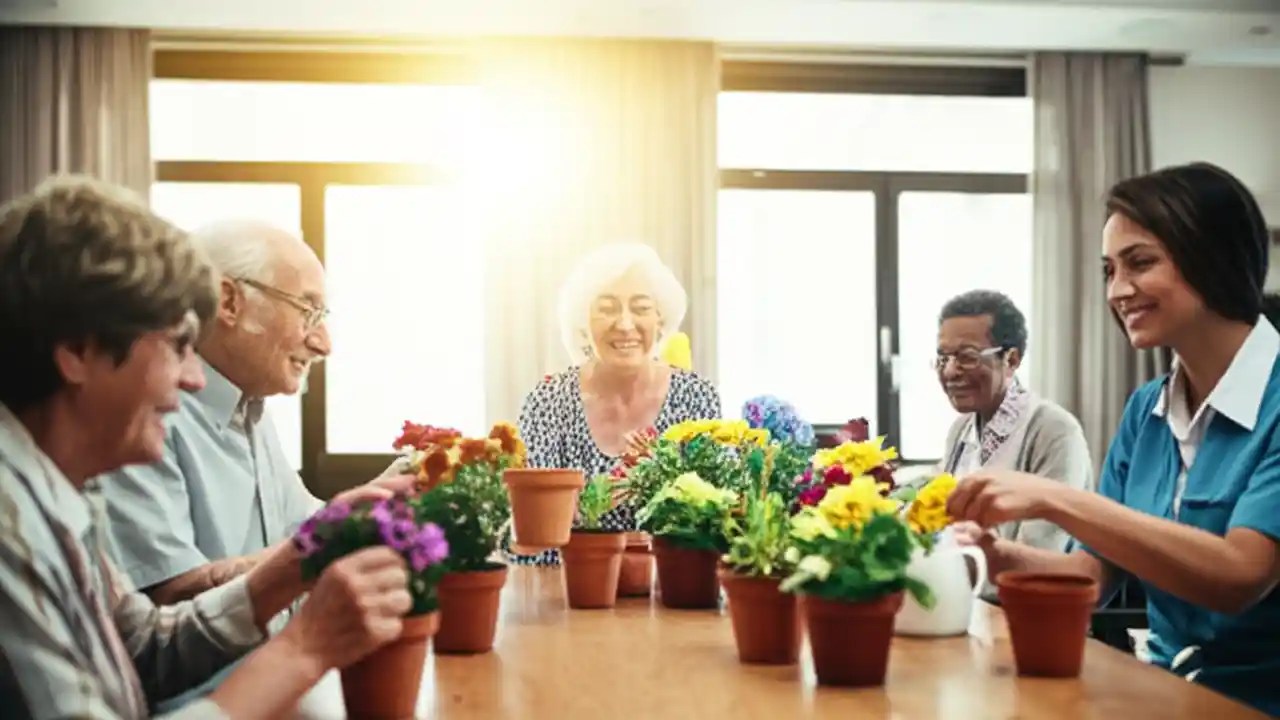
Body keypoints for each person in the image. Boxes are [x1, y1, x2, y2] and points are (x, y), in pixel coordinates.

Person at [0, 176, 411, 719]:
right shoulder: (11, 527)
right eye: (177, 347)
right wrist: (304, 648)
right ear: (78, 350)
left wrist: (302, 557)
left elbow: (143, 645)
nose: (195, 379)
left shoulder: (57, 497)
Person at [948, 162, 1280, 716]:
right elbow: (1092, 577)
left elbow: (1239, 576)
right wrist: (992, 554)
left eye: (1140, 263)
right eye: (1109, 270)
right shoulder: (1145, 409)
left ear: (1214, 257)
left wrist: (1051, 496)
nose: (1118, 290)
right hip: (1167, 693)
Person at [98, 220, 402, 609]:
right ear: (228, 301)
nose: (324, 344)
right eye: (308, 310)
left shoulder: (252, 409)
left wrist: (388, 494)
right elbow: (166, 607)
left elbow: (303, 531)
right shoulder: (150, 420)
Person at [513, 243, 721, 565]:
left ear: (660, 319)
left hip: (667, 591)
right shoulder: (548, 401)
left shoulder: (696, 398)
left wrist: (660, 477)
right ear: (583, 321)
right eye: (607, 308)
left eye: (640, 308)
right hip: (571, 590)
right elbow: (533, 539)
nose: (625, 325)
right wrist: (603, 495)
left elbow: (714, 525)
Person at [934, 290, 1093, 586]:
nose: (951, 371)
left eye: (967, 357)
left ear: (1012, 359)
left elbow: (1037, 555)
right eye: (943, 358)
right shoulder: (960, 430)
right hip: (967, 601)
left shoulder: (1054, 431)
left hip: (1030, 609)